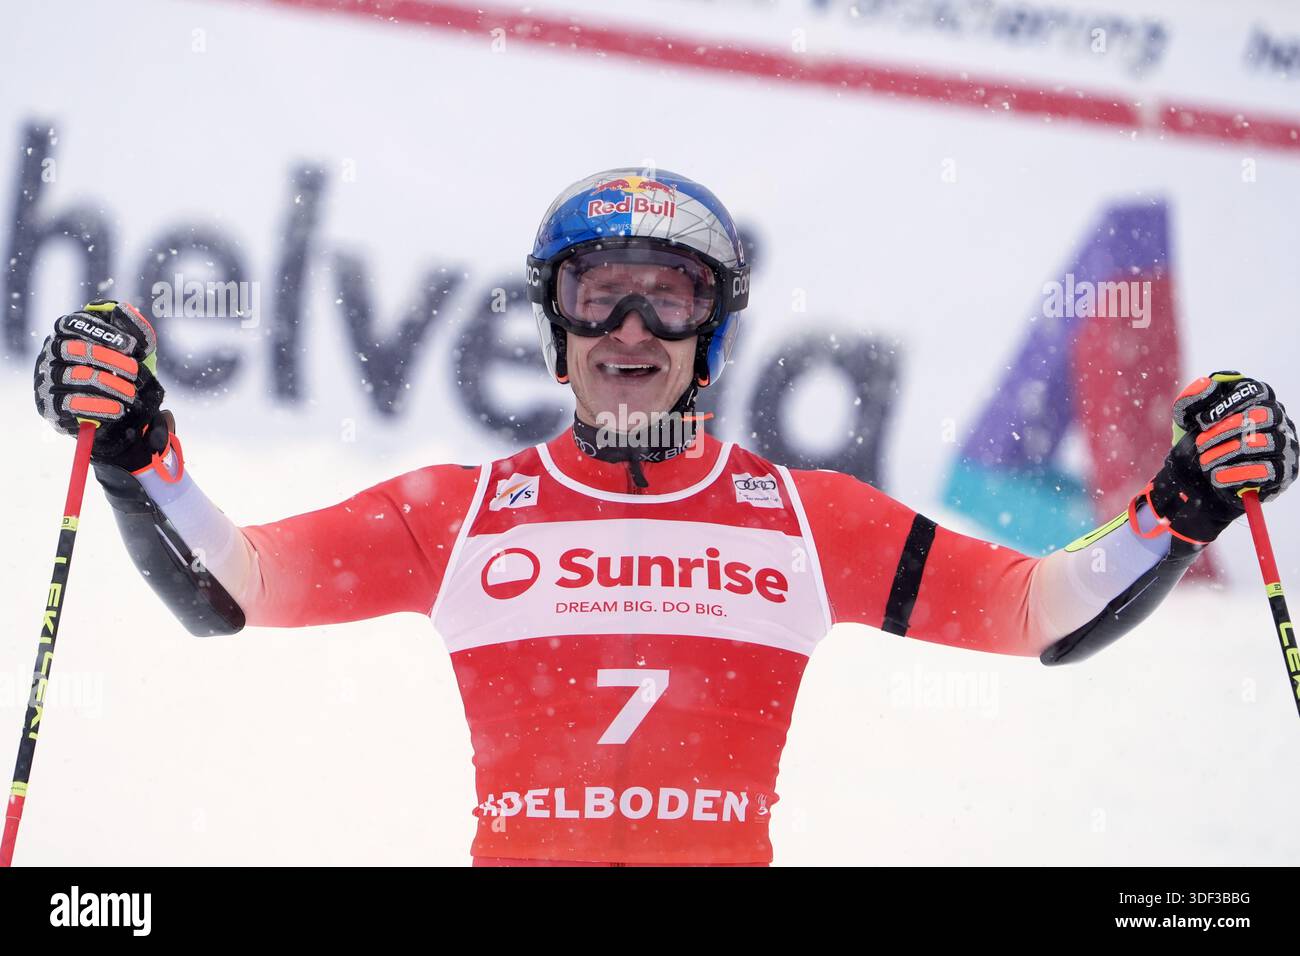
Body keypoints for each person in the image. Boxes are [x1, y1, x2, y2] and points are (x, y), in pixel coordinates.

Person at [32, 168, 1298, 867]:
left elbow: (1037, 616)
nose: (631, 331)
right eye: (598, 294)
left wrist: (1176, 506)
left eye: (671, 300)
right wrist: (143, 447)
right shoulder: (460, 513)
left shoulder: (808, 519)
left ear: (714, 335)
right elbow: (234, 585)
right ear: (554, 325)